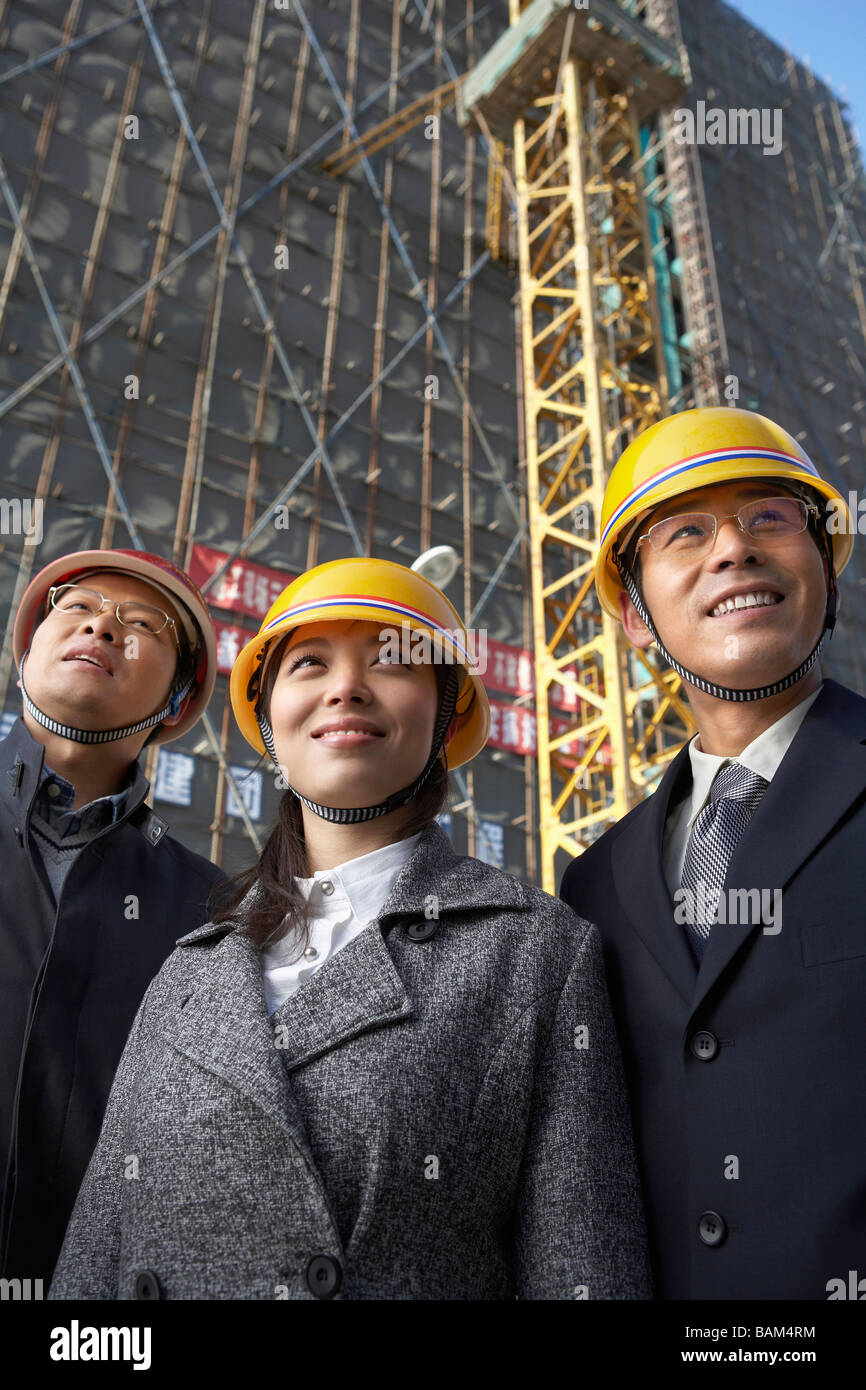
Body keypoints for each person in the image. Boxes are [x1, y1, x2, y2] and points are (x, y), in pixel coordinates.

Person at [49, 557, 651, 1301]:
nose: (345, 687)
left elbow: (582, 1268)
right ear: (268, 720)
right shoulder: (186, 972)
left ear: (448, 716)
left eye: (392, 661)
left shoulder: (537, 952)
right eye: (310, 663)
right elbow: (93, 1261)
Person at [560, 406, 865, 1300]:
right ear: (634, 615)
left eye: (769, 517)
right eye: (684, 532)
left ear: (826, 570)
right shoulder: (593, 885)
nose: (732, 549)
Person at [0, 548, 225, 1288]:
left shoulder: (214, 915)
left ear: (177, 699)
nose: (100, 628)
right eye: (78, 607)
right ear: (27, 644)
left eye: (141, 625)